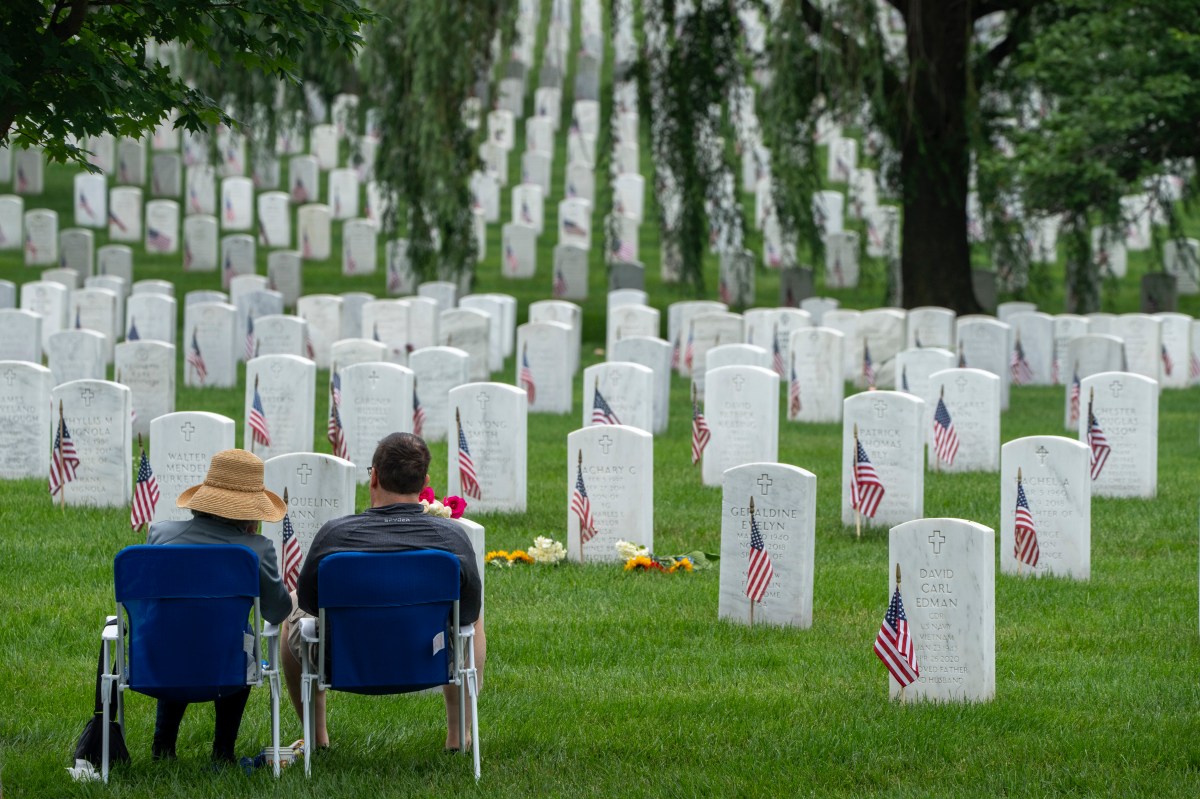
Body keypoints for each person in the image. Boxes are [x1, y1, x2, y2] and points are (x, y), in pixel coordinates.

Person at [281, 432, 485, 752]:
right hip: (428, 659)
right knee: (473, 618)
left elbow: (309, 602)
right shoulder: (452, 539)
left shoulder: (335, 536)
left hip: (341, 661)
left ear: (374, 477)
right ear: (424, 482)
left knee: (291, 610)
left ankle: (317, 736)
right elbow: (468, 611)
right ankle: (459, 735)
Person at [145, 448, 292, 764]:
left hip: (161, 659)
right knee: (242, 637)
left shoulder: (160, 535)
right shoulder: (256, 550)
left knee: (179, 627)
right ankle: (223, 750)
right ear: (250, 512)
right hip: (227, 666)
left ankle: (163, 746)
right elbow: (276, 612)